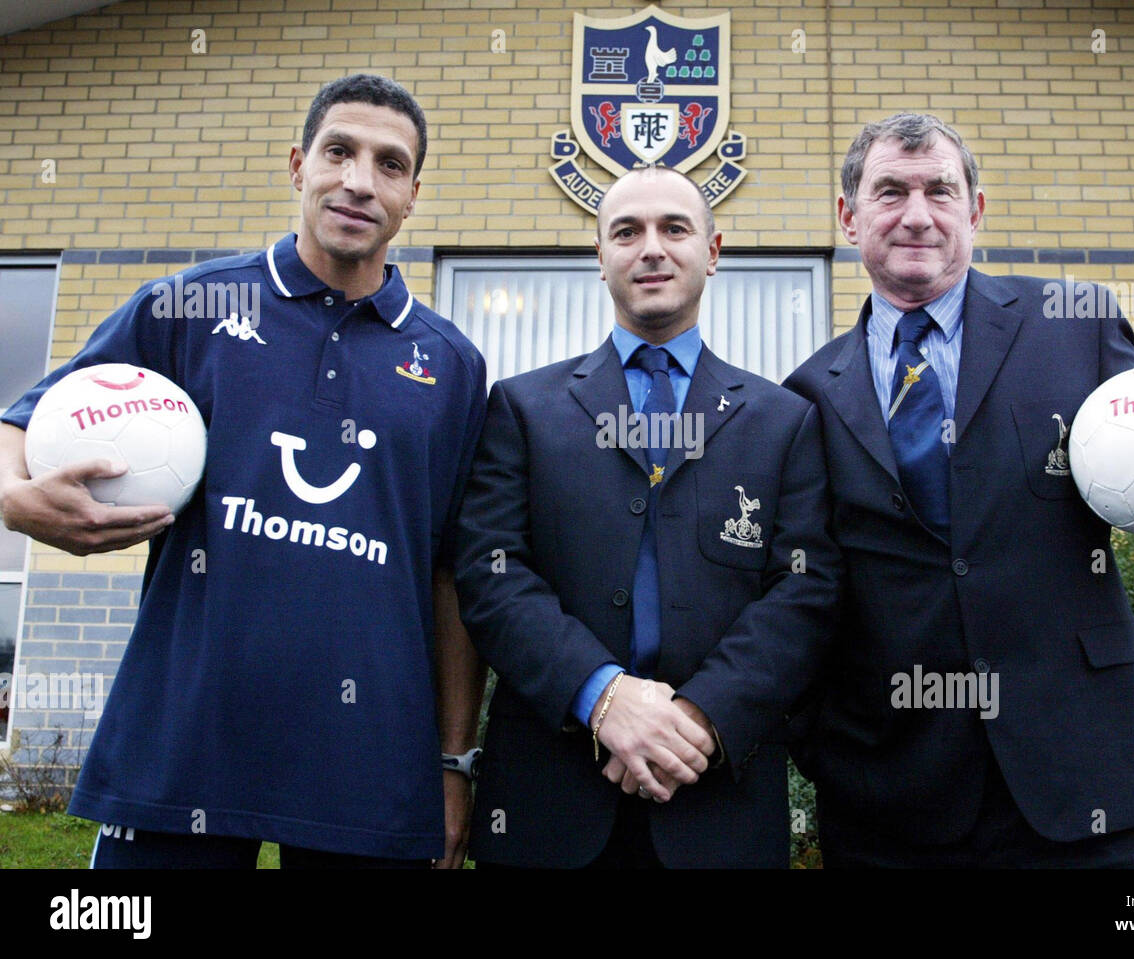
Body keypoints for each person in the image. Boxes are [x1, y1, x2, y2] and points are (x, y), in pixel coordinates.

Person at [784, 112, 1134, 868]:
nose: (917, 214)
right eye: (889, 191)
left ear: (977, 210)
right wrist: (818, 737)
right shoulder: (807, 393)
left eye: (941, 191)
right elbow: (803, 587)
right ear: (848, 215)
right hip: (892, 800)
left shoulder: (1074, 324)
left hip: (1098, 774)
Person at [0, 74, 487, 868]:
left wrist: (453, 761)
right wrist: (18, 500)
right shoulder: (190, 307)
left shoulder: (452, 364)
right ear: (300, 166)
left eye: (389, 165)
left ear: (413, 195)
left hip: (366, 765)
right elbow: (20, 422)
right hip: (182, 745)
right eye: (339, 152)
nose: (359, 181)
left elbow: (451, 577)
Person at [454, 165, 841, 868]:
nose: (651, 248)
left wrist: (697, 717)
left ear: (713, 250)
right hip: (548, 808)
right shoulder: (522, 410)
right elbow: (492, 577)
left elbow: (805, 592)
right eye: (626, 232)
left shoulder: (784, 422)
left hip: (716, 803)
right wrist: (602, 697)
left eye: (674, 228)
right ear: (600, 258)